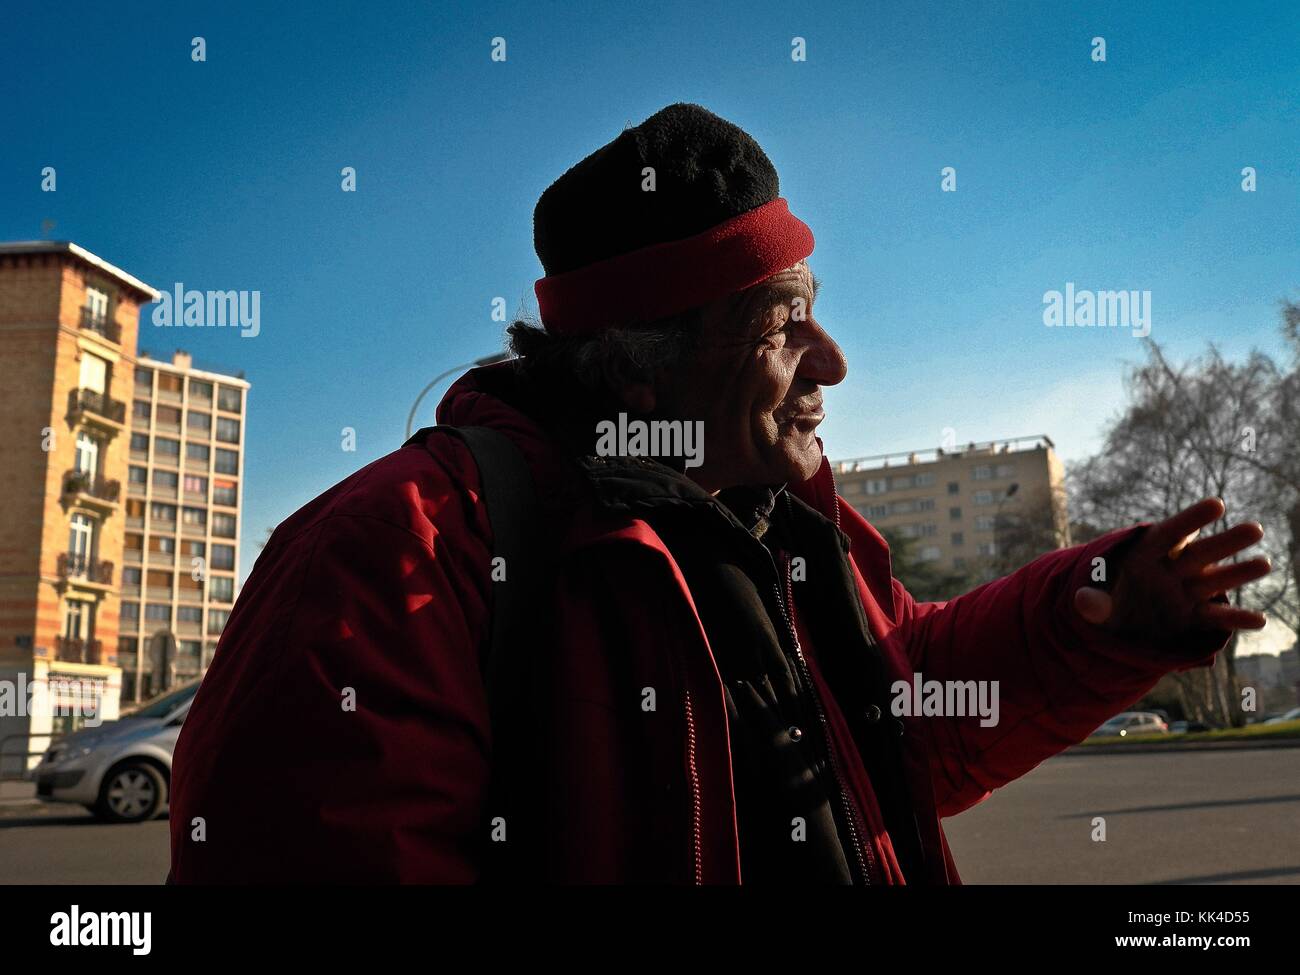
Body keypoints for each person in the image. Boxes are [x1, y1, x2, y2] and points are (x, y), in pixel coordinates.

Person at [168, 103, 1270, 884]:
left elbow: (907, 711)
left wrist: (1098, 619)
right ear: (647, 363)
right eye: (784, 322)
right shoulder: (392, 557)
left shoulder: (781, 523)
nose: (831, 362)